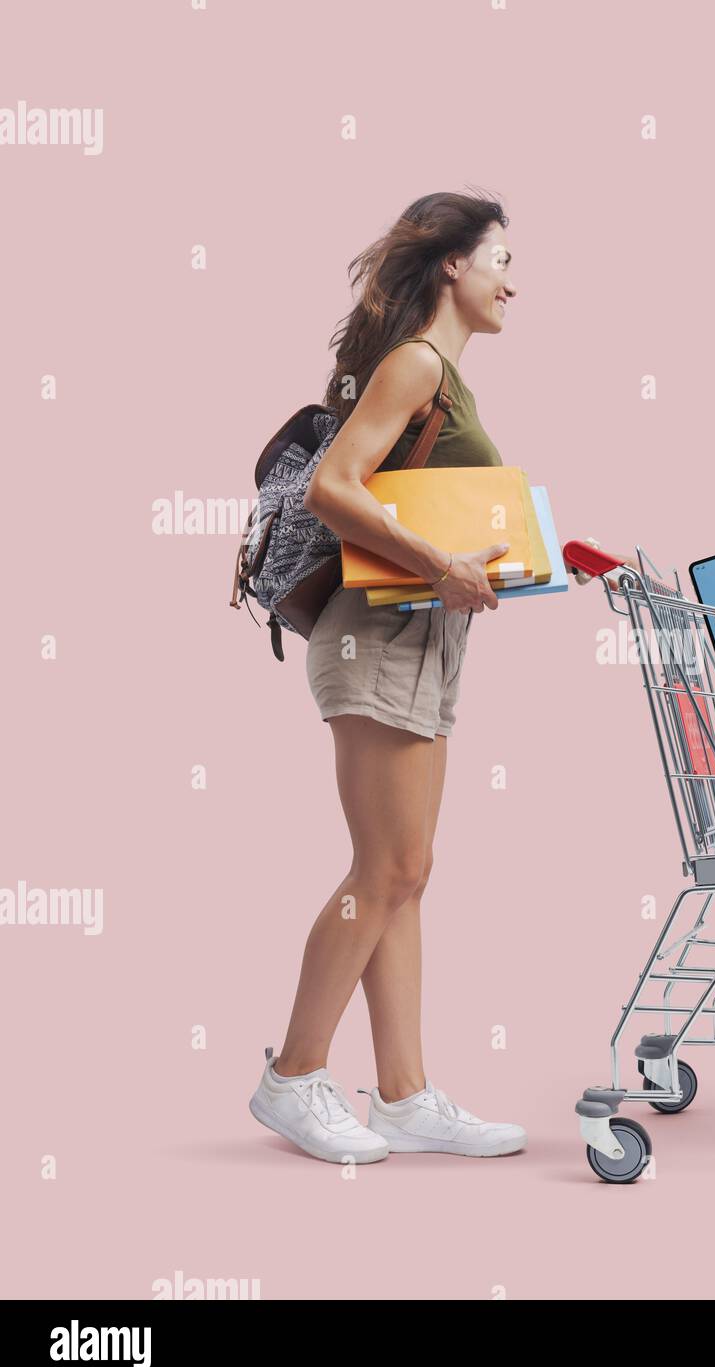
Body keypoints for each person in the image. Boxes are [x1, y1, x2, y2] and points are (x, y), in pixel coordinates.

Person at [248, 191, 534, 1164]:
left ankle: (405, 1095)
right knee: (384, 870)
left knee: (408, 876)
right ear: (451, 265)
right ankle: (292, 1076)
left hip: (418, 641)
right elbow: (336, 485)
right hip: (372, 634)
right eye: (500, 256)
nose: (514, 278)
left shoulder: (446, 375)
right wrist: (438, 566)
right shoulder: (416, 362)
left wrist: (493, 566)